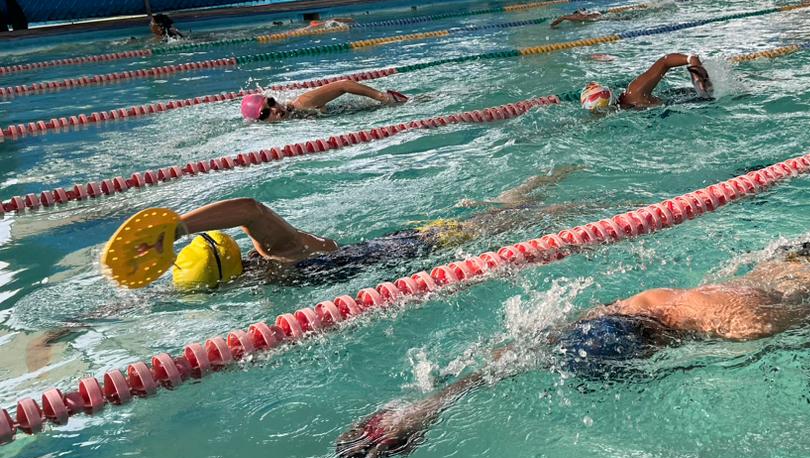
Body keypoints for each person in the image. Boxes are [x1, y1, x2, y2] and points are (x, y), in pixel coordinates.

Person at [335, 190, 810, 458]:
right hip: (773, 267)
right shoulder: (601, 319)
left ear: (651, 347)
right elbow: (509, 357)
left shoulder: (727, 323)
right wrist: (424, 409)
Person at [102, 167, 581, 291]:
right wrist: (180, 225)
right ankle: (568, 190)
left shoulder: (267, 276)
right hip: (410, 248)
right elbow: (249, 208)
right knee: (515, 218)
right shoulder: (278, 254)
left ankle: (546, 183)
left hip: (393, 255)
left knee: (503, 215)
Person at [579, 52, 713, 111]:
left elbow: (665, 61)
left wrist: (693, 63)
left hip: (685, 99)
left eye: (597, 112)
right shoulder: (619, 110)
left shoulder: (634, 92)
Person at [240, 80, 410, 122]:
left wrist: (382, 97)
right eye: (265, 113)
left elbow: (343, 85)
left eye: (271, 102)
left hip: (371, 110)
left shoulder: (301, 104)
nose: (274, 109)